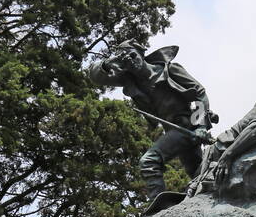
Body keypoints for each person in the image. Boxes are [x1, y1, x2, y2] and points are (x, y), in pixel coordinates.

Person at [85, 41, 215, 200]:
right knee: (197, 171)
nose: (131, 61)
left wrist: (201, 125)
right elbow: (95, 77)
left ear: (141, 53)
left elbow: (199, 93)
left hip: (187, 126)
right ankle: (213, 194)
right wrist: (108, 63)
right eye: (125, 60)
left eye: (133, 55)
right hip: (173, 130)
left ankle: (159, 205)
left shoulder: (168, 69)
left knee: (149, 161)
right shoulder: (131, 81)